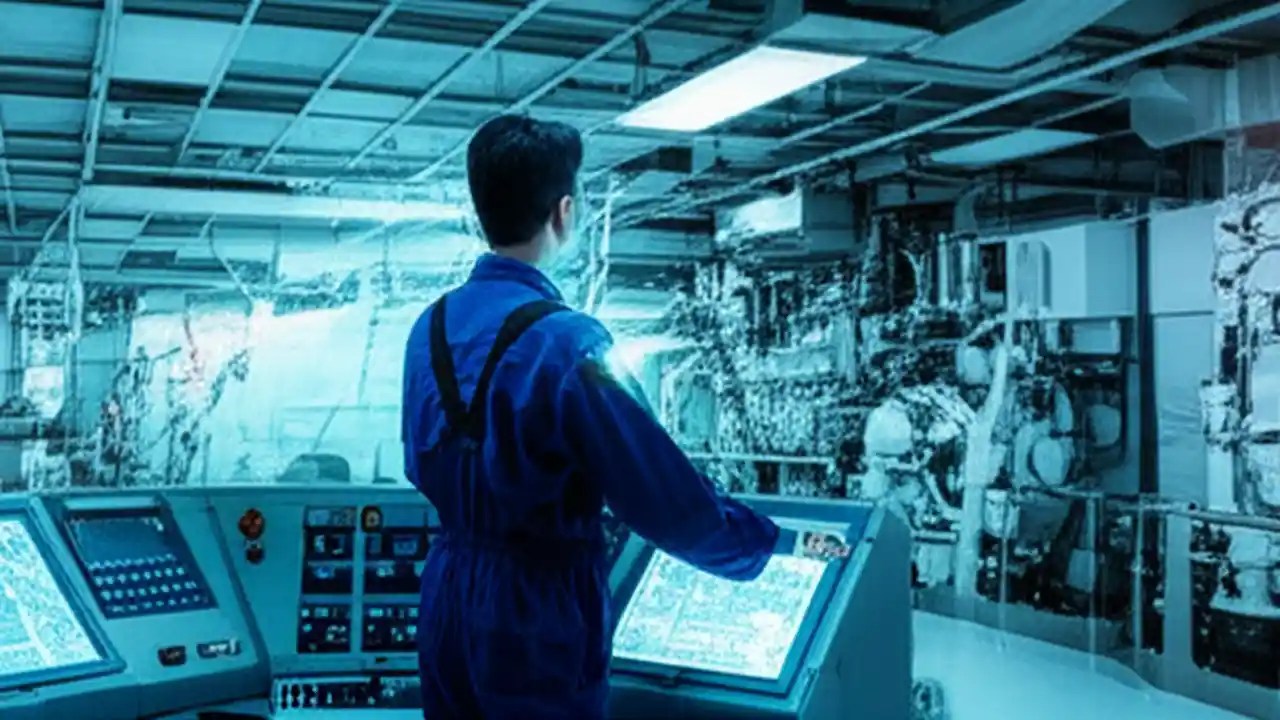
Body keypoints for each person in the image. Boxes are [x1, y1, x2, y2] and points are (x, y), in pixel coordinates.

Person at [401, 114, 841, 720]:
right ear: (564, 212)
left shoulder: (428, 330)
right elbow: (664, 501)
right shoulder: (572, 344)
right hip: (535, 614)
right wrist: (773, 546)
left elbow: (420, 462)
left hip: (446, 595)